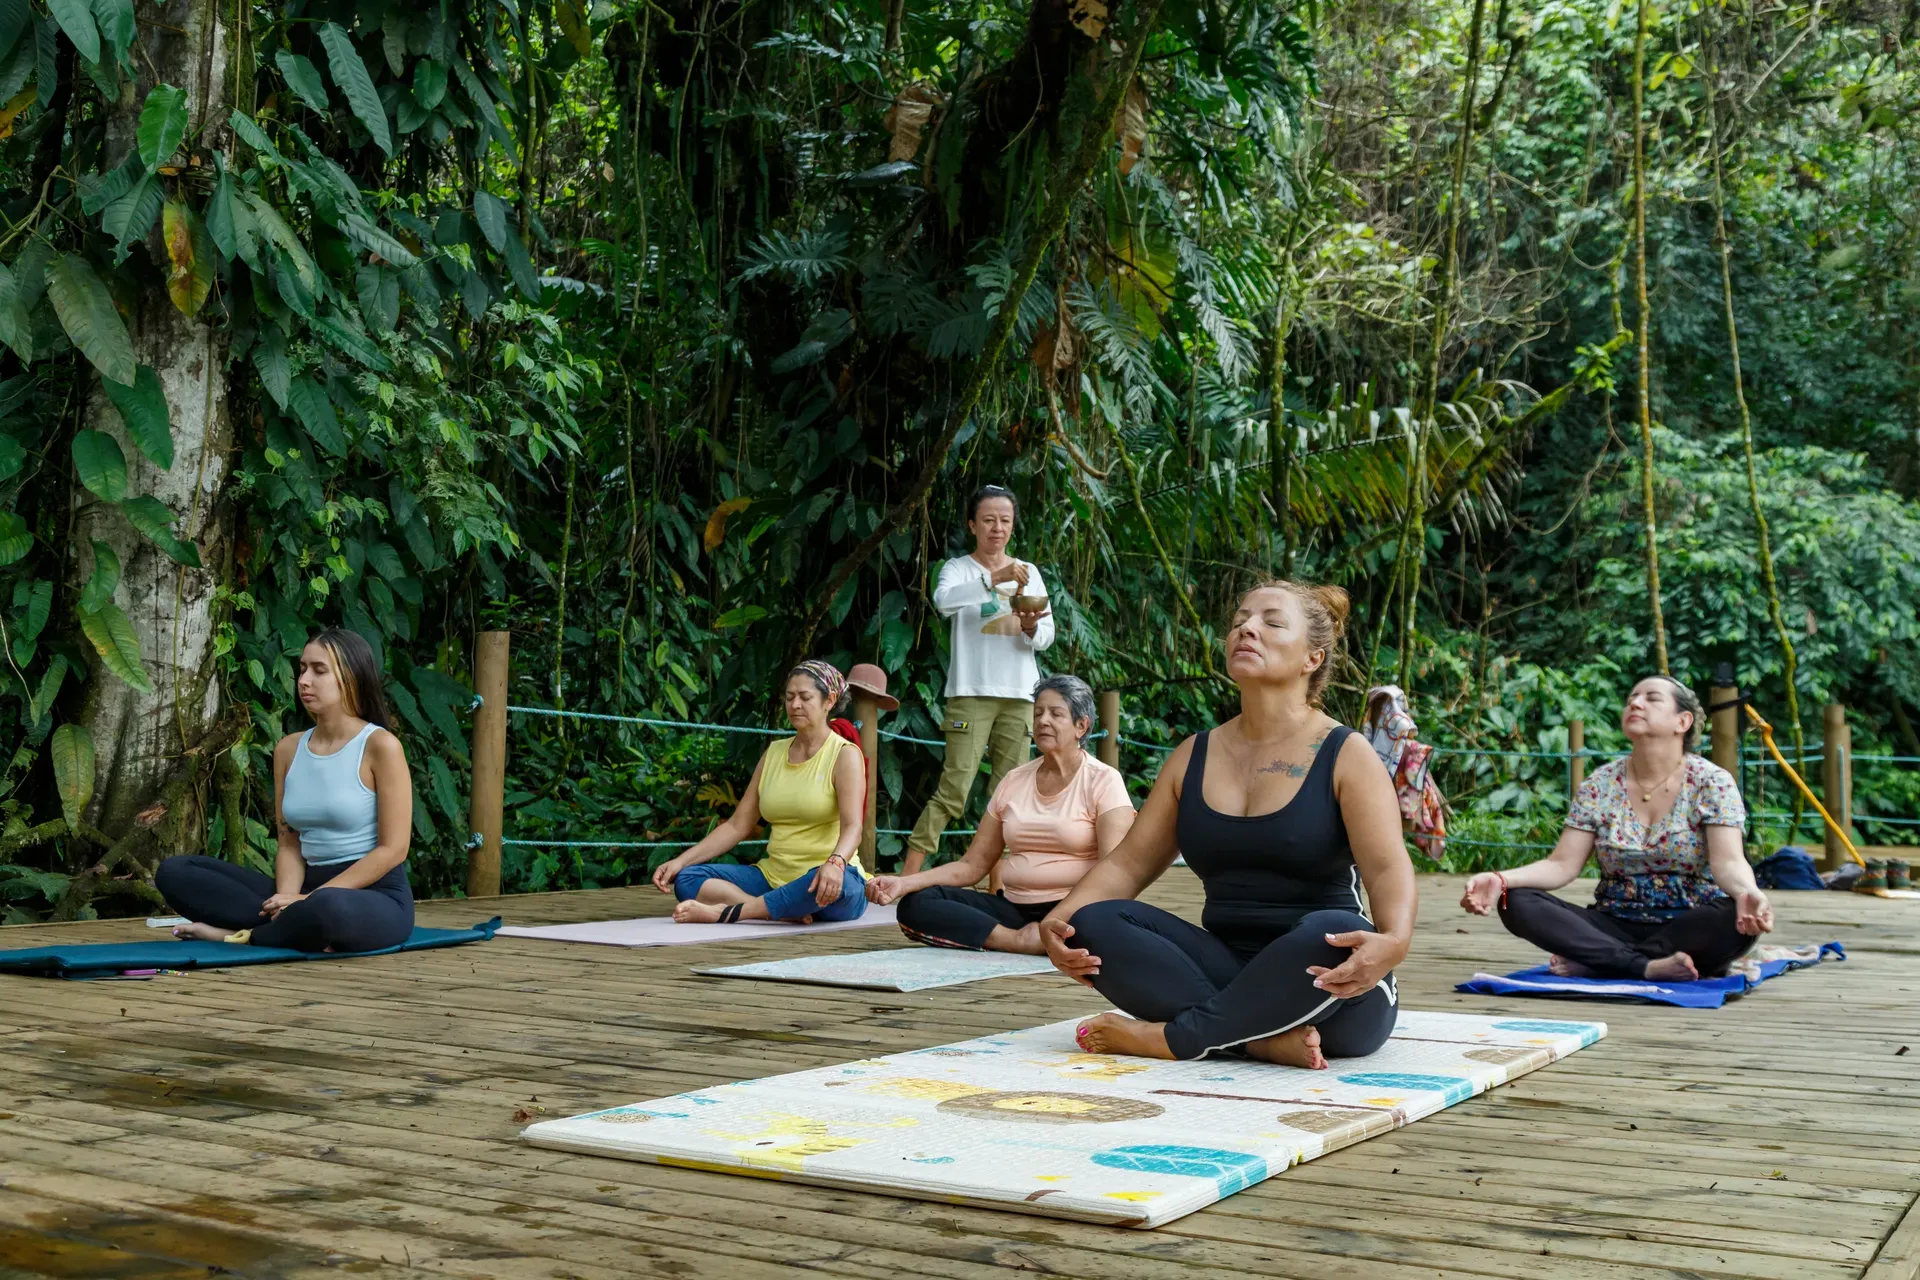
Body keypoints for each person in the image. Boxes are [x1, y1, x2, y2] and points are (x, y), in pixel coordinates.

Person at [1043, 581, 1415, 1069]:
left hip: (1332, 992)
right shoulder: (1192, 755)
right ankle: (1252, 1039)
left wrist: (1393, 942)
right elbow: (1129, 863)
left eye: (1271, 622)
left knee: (1336, 929)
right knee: (1094, 922)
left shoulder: (1346, 754)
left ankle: (1174, 1038)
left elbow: (1387, 868)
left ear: (1312, 659)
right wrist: (1058, 921)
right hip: (1223, 966)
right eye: (1240, 620)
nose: (1247, 629)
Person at [1460, 675, 1772, 980]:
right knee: (1515, 900)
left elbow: (1728, 861)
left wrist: (1748, 892)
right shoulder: (1599, 784)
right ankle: (1642, 966)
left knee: (1734, 918)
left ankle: (1604, 961)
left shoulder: (1711, 781)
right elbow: (1561, 865)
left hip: (1687, 923)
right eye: (1631, 699)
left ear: (1683, 721)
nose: (1636, 703)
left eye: (1651, 698)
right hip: (1612, 921)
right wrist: (1501, 879)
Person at [157, 629, 415, 952]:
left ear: (351, 677)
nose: (304, 680)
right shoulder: (288, 750)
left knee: (327, 910)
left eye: (319, 671)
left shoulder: (380, 746)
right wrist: (287, 901)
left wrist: (308, 900)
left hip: (372, 894)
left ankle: (242, 935)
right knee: (175, 872)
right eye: (302, 669)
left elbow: (393, 850)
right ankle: (284, 927)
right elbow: (289, 845)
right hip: (304, 887)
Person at [867, 675, 1134, 953]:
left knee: (1103, 923)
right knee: (916, 904)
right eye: (1038, 713)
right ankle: (1017, 941)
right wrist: (903, 883)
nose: (1043, 721)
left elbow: (1113, 873)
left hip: (1076, 909)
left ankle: (1047, 935)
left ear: (1082, 726)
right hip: (1014, 910)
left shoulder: (1104, 780)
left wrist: (1057, 917)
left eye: (1056, 714)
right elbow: (972, 865)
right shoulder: (1014, 780)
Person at [901, 484, 1054, 875]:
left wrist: (1031, 627)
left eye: (1004, 520)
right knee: (953, 791)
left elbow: (1047, 637)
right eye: (988, 520)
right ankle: (907, 877)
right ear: (972, 525)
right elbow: (944, 602)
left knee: (1009, 797)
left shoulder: (1030, 573)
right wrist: (994, 577)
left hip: (1020, 696)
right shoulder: (958, 569)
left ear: (1013, 525)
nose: (997, 528)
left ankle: (998, 884)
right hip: (969, 694)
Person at [651, 661, 867, 924]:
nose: (794, 704)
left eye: (804, 697)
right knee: (688, 878)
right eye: (789, 697)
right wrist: (680, 861)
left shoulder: (844, 755)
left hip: (828, 877)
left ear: (829, 700)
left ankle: (727, 912)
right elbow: (737, 825)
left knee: (837, 887)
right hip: (772, 879)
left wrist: (835, 863)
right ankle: (779, 911)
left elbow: (854, 827)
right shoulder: (774, 753)